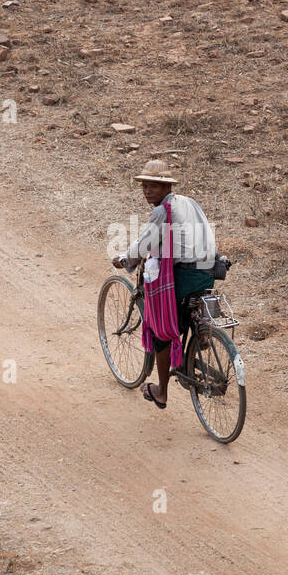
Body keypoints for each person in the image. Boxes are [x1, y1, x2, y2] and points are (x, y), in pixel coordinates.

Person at [112, 159, 216, 410]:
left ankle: (161, 392)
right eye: (145, 186)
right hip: (209, 268)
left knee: (161, 331)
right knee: (188, 306)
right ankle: (201, 321)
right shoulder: (187, 201)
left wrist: (126, 258)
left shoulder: (161, 212)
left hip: (185, 275)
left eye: (154, 186)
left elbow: (144, 243)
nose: (148, 190)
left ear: (166, 188)